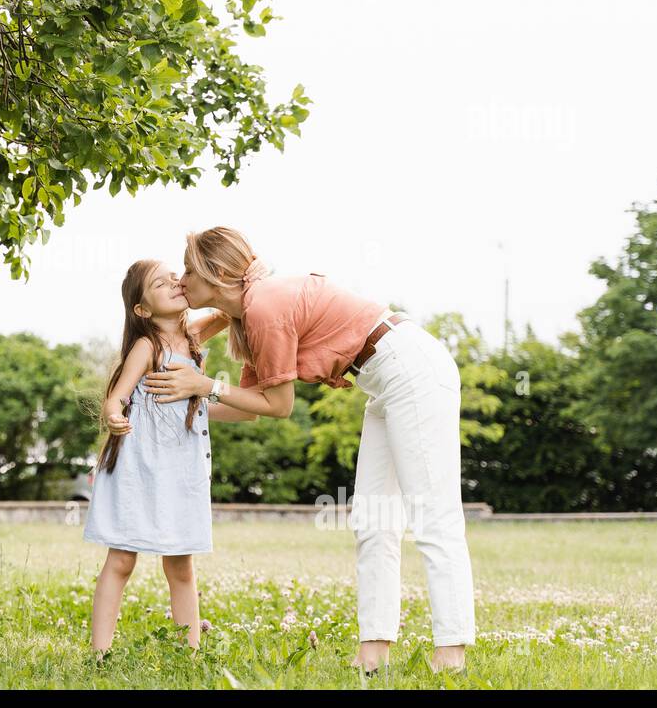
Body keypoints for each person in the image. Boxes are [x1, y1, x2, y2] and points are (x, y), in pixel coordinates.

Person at [144, 227, 476, 673]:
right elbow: (247, 409)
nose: (181, 279)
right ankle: (372, 656)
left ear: (218, 272)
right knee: (374, 520)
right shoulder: (247, 315)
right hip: (383, 379)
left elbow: (279, 406)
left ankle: (451, 656)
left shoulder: (264, 306)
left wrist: (204, 386)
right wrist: (183, 403)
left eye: (188, 269)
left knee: (432, 514)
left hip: (410, 367)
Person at [84, 259, 256, 656]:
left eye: (176, 277)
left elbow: (228, 309)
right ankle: (99, 652)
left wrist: (247, 275)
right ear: (142, 310)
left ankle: (188, 651)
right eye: (162, 284)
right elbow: (119, 394)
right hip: (139, 468)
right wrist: (113, 415)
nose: (177, 283)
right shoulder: (148, 346)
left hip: (182, 469)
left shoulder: (192, 340)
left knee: (181, 564)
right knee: (122, 559)